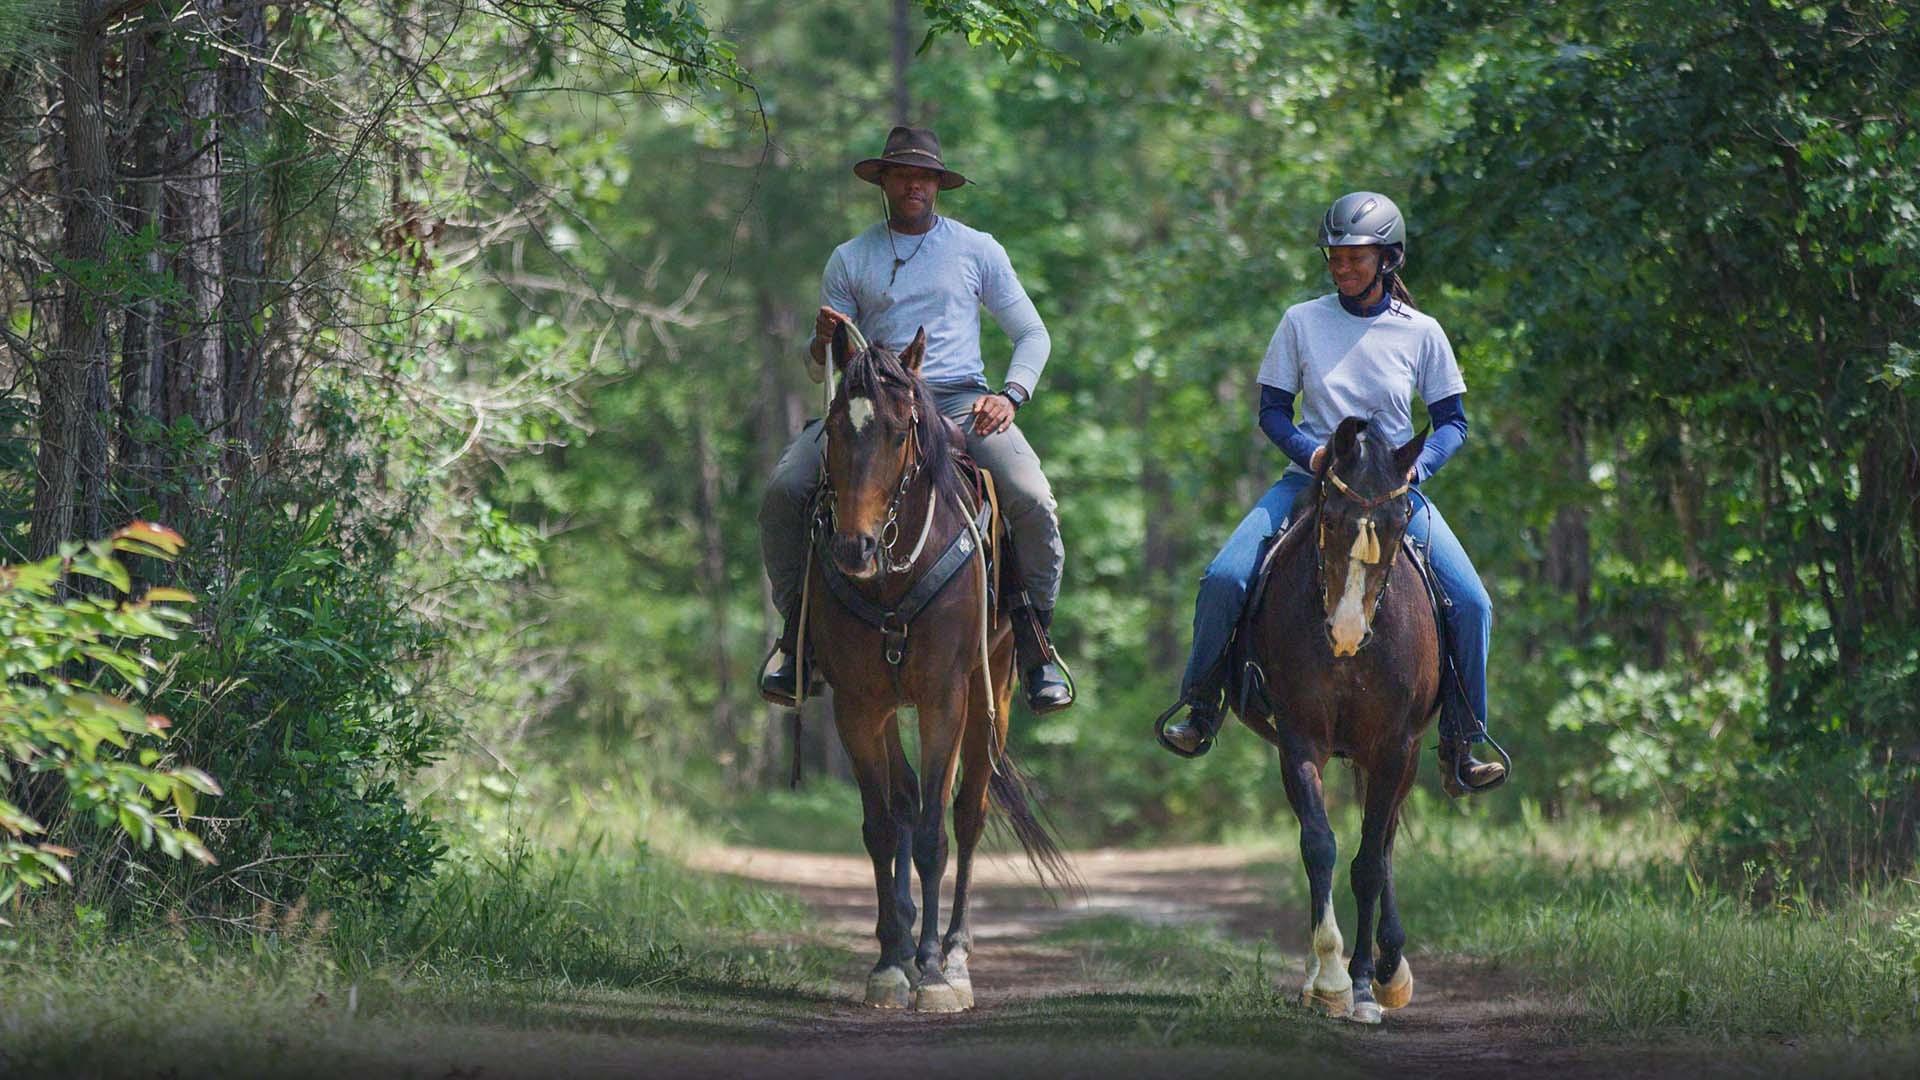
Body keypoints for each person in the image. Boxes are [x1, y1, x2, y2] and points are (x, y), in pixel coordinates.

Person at [1157, 191, 1506, 793]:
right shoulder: (1301, 321)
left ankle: (1463, 737)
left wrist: (1417, 469)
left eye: (1355, 258)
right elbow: (1271, 410)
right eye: (1334, 258)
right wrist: (1311, 453)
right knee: (1224, 577)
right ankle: (1201, 705)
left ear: (1388, 260)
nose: (1342, 268)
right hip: (1311, 482)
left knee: (1472, 603)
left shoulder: (1421, 332)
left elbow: (1453, 421)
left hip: (1394, 492)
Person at [757, 125, 1072, 714]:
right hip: (872, 406)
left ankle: (1036, 640)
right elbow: (817, 367)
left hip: (959, 401)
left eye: (925, 176)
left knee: (1031, 497)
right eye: (903, 174)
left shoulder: (978, 250)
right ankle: (797, 637)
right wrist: (821, 341)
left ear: (938, 184)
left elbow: (1032, 333)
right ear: (883, 181)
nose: (914, 185)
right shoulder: (850, 258)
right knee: (785, 489)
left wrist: (1011, 394)